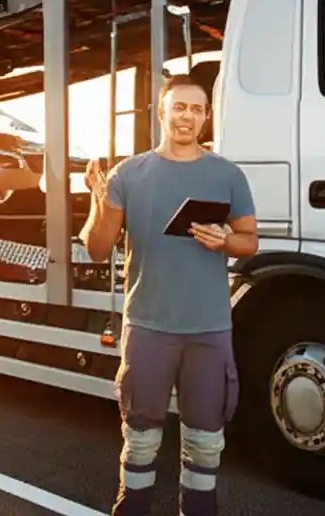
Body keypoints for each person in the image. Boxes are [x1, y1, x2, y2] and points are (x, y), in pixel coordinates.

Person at [80, 72, 258, 516]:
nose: (187, 116)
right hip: (148, 326)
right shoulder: (128, 174)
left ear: (206, 117)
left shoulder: (228, 175)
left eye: (196, 109)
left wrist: (226, 240)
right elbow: (98, 247)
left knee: (205, 441)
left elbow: (250, 242)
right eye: (179, 107)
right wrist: (99, 203)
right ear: (161, 112)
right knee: (140, 437)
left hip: (209, 330)